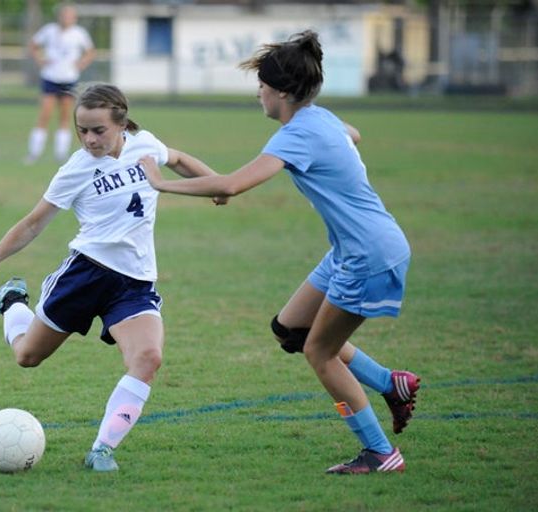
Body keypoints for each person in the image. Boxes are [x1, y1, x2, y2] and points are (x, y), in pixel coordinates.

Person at [139, 31, 420, 474]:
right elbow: (355, 133)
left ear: (284, 93)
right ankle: (391, 384)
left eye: (263, 88)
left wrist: (161, 182)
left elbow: (232, 184)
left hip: (369, 254)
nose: (259, 94)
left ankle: (381, 453)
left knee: (320, 353)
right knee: (290, 328)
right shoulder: (318, 120)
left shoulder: (299, 134)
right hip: (353, 249)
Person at [0, 83, 226, 472]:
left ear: (121, 123)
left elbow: (179, 158)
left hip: (135, 284)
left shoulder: (144, 143)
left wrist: (216, 185)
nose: (88, 139)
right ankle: (13, 300)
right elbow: (33, 224)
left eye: (98, 130)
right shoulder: (77, 168)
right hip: (85, 275)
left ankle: (101, 450)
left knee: (148, 358)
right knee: (27, 356)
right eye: (82, 130)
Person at [24, 3, 96, 165]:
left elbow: (91, 52)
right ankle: (34, 153)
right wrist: (40, 60)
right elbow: (33, 45)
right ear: (59, 17)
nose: (67, 18)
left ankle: (61, 154)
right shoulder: (49, 30)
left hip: (69, 79)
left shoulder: (79, 33)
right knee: (45, 115)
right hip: (50, 77)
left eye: (70, 16)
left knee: (65, 117)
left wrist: (81, 64)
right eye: (64, 15)